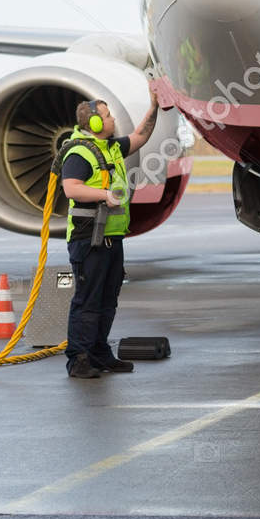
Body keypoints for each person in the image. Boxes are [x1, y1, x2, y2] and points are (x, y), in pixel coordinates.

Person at [58, 90, 160, 378]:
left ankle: (100, 353)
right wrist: (105, 194)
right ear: (96, 124)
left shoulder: (110, 148)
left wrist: (154, 107)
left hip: (111, 237)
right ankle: (78, 360)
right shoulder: (80, 152)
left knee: (107, 299)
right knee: (88, 301)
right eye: (107, 115)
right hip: (88, 239)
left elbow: (141, 136)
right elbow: (72, 188)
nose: (112, 119)